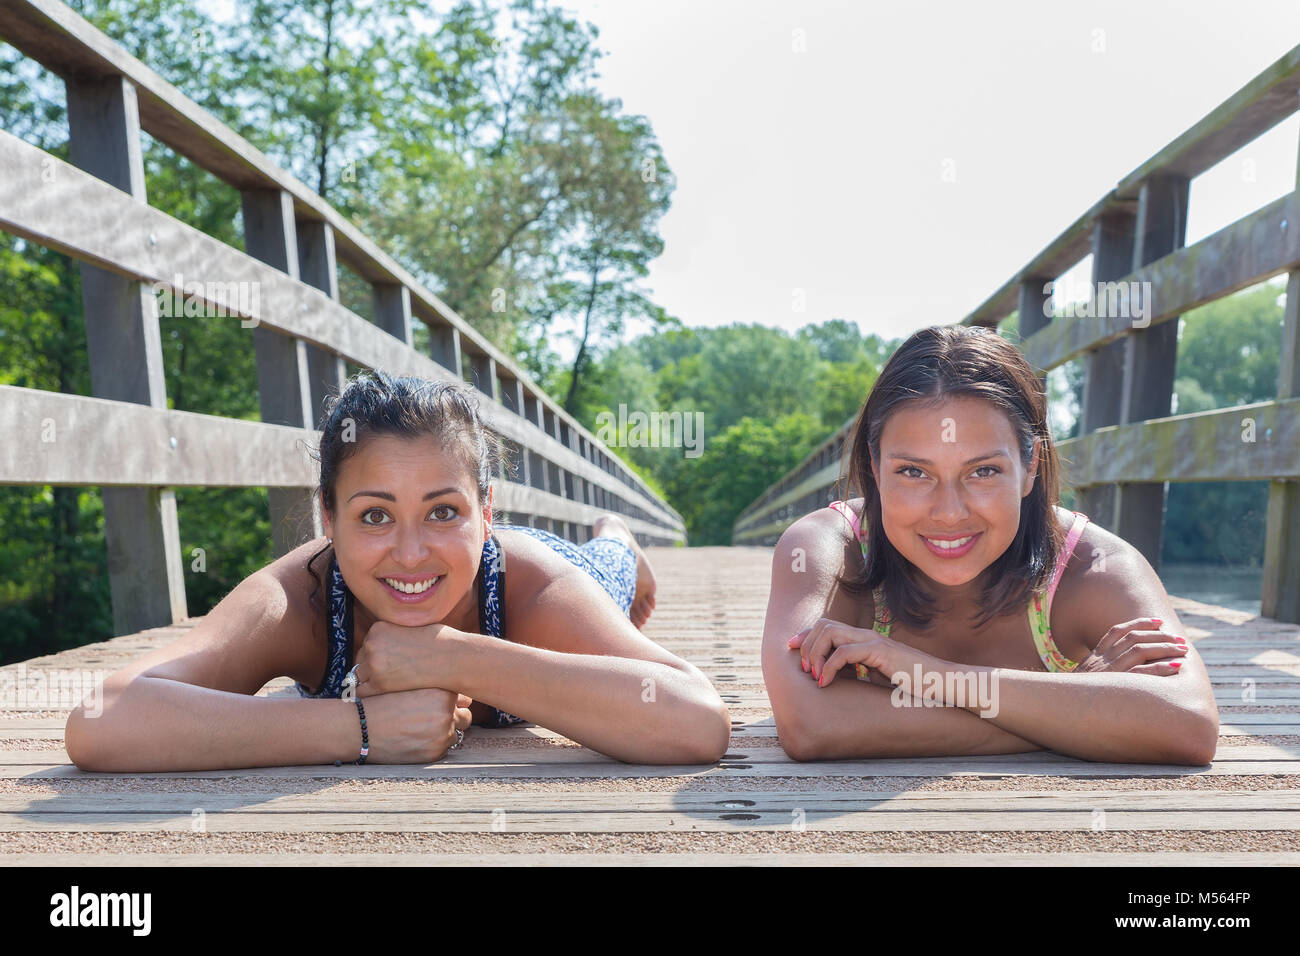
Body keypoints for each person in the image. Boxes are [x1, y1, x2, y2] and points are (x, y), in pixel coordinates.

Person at [66, 372, 729, 770]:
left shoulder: (532, 584)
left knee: (606, 564)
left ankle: (617, 536)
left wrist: (453, 659)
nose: (410, 554)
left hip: (565, 564)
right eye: (375, 517)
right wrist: (358, 732)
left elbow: (697, 720)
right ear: (327, 515)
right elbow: (104, 719)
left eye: (443, 512)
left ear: (486, 510)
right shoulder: (297, 597)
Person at [762, 325, 1219, 766]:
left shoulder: (1093, 567)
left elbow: (1187, 723)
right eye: (913, 472)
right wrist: (1073, 710)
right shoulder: (829, 548)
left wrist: (918, 670)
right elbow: (811, 725)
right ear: (874, 468)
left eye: (983, 471)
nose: (949, 512)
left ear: (1030, 468)